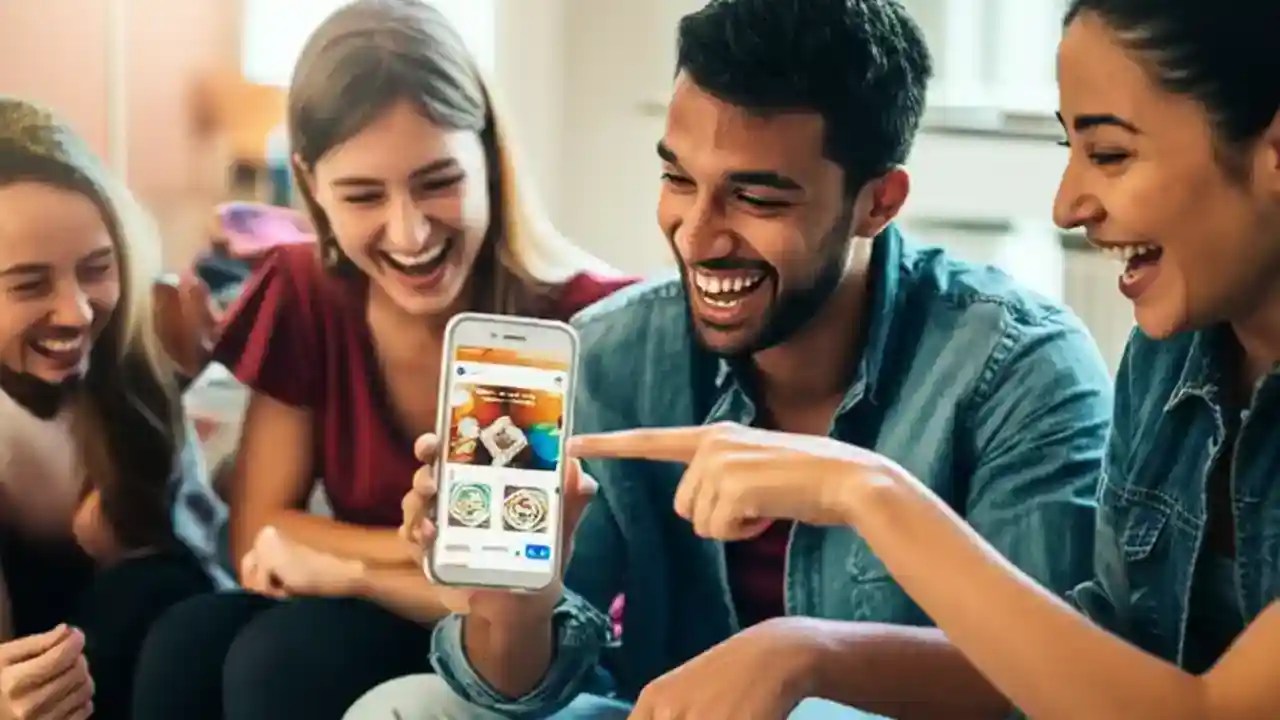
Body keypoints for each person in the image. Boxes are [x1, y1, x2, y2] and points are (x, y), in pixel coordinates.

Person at [359, 0, 1117, 718]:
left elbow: (1052, 681)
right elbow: (518, 688)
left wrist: (810, 654)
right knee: (405, 706)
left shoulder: (1019, 368)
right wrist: (513, 600)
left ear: (877, 203)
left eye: (757, 199)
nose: (696, 235)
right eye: (678, 179)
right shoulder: (617, 354)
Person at [559, 0, 1280, 718]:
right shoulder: (1168, 363)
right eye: (1071, 151)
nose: (1065, 206)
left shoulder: (1018, 360)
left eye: (1112, 154)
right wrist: (496, 599)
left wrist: (866, 497)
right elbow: (1094, 663)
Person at [129, 1, 631, 718]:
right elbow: (261, 530)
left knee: (280, 661)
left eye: (438, 182)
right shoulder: (305, 289)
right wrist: (418, 558)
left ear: (488, 154)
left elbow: (539, 598)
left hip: (533, 652)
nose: (410, 232)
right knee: (185, 639)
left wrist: (345, 570)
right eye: (363, 195)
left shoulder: (591, 320)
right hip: (403, 612)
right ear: (311, 185)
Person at [0, 97, 220, 720]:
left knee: (155, 598)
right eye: (29, 284)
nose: (75, 312)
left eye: (97, 269)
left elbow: (214, 571)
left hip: (147, 658)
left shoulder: (131, 367)